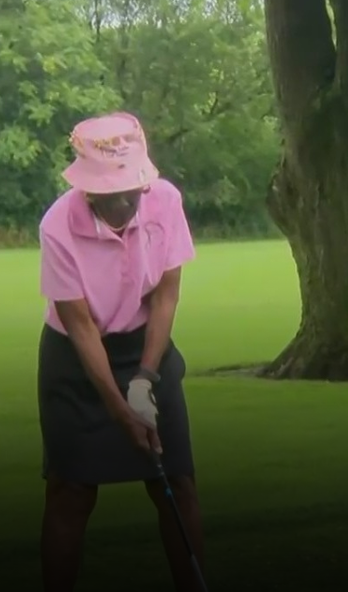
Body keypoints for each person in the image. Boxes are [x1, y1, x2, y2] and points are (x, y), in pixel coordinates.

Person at [36, 111, 206, 591]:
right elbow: (81, 325)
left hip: (147, 346)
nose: (127, 202)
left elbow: (166, 295)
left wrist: (145, 379)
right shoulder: (58, 226)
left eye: (133, 190)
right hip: (76, 360)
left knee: (176, 480)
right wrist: (119, 407)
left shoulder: (165, 200)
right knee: (70, 493)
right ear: (88, 189)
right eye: (113, 194)